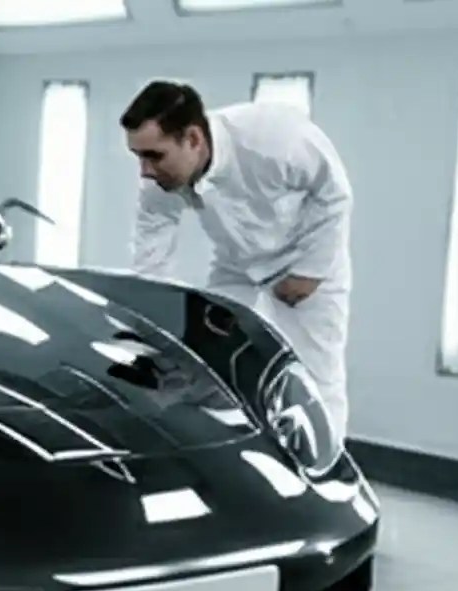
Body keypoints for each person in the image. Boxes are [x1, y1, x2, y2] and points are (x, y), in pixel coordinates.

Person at [119, 79, 353, 444]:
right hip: (237, 263)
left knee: (316, 380)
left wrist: (311, 270)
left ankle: (324, 478)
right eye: (138, 156)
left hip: (306, 263)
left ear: (193, 139)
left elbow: (334, 193)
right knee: (209, 358)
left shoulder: (275, 137)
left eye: (154, 155)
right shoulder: (157, 181)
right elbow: (152, 252)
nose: (145, 171)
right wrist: (153, 321)